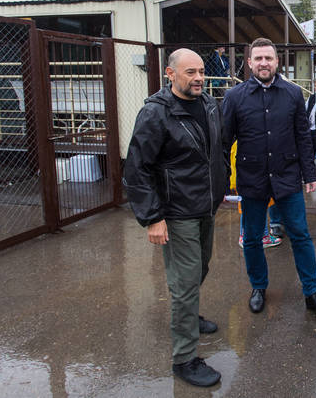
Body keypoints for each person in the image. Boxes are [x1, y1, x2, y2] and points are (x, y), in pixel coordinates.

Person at [123, 48, 227, 387]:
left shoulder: (210, 105)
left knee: (201, 268)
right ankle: (184, 359)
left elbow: (216, 152)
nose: (198, 78)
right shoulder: (156, 113)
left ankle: (189, 316)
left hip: (205, 207)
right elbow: (137, 169)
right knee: (184, 284)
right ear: (170, 74)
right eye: (190, 72)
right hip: (177, 211)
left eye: (201, 71)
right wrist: (153, 217)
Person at [222, 38, 316, 314]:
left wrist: (310, 174)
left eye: (268, 58)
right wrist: (223, 181)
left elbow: (302, 138)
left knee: (301, 235)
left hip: (287, 177)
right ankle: (258, 286)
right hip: (252, 180)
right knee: (251, 238)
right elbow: (223, 142)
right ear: (249, 63)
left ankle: (311, 290)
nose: (263, 63)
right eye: (258, 58)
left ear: (277, 61)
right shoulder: (235, 97)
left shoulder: (292, 93)